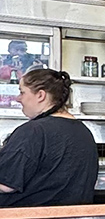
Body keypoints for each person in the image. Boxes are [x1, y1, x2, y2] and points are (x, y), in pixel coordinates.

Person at [0, 69, 98, 207]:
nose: (18, 98)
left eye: (22, 92)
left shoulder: (33, 131)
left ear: (40, 95)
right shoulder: (83, 132)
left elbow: (6, 184)